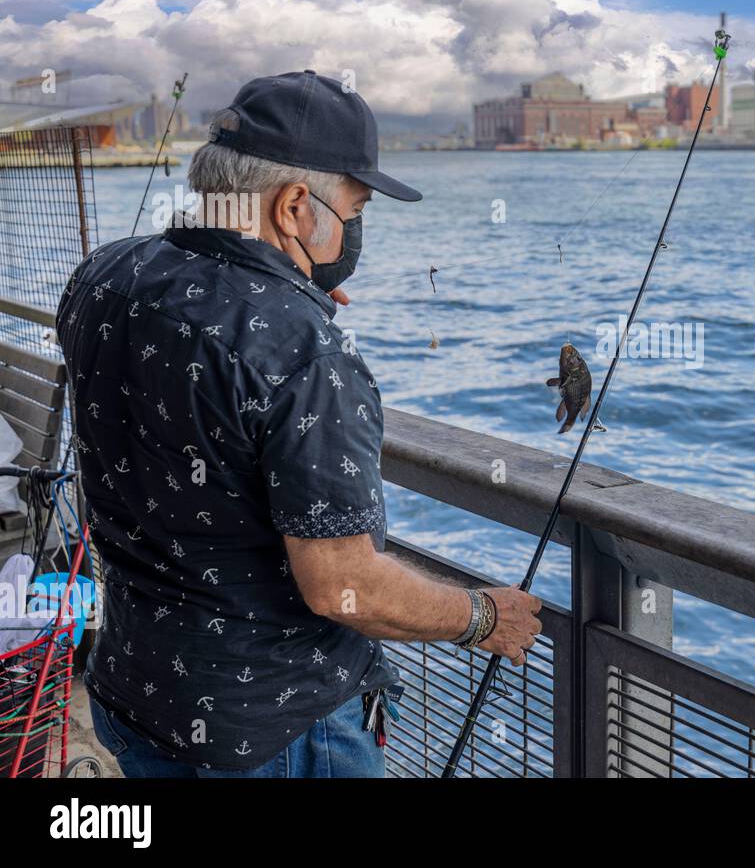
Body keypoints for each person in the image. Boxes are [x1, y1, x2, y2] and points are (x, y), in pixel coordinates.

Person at [56, 70, 541, 777]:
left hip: (134, 695)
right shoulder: (304, 351)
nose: (355, 229)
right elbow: (345, 585)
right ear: (292, 206)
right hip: (272, 736)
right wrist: (483, 617)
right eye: (355, 207)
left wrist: (285, 290)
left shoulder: (101, 275)